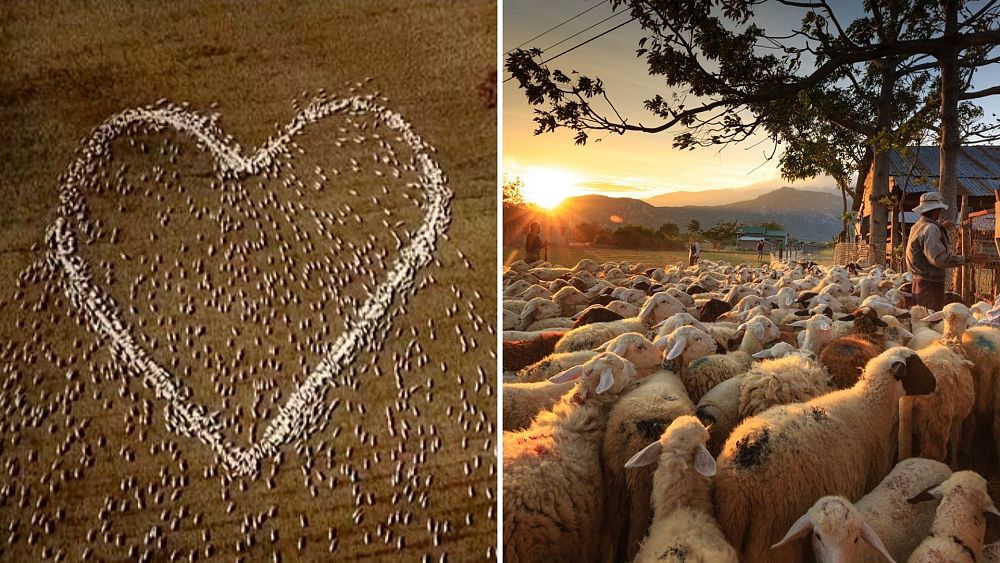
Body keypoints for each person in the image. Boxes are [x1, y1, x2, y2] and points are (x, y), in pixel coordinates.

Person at [904, 191, 982, 311]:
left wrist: (940, 226)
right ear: (936, 211)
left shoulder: (918, 226)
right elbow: (938, 259)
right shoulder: (932, 229)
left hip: (918, 282)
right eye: (939, 210)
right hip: (930, 286)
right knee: (931, 321)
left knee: (920, 321)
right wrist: (968, 258)